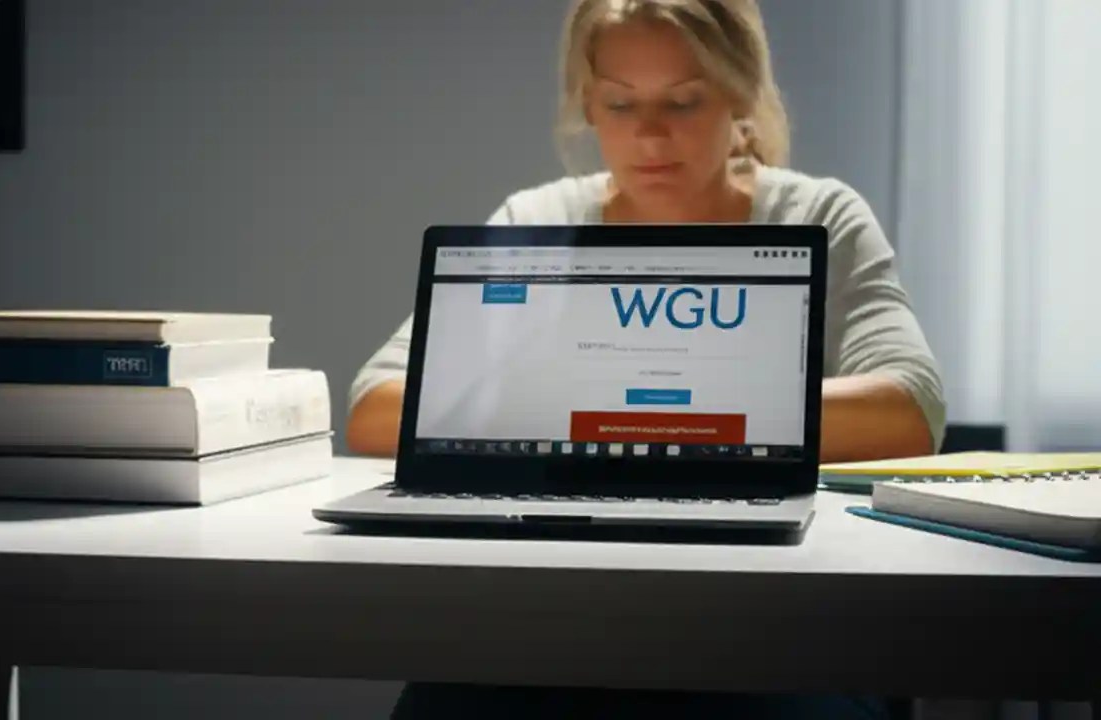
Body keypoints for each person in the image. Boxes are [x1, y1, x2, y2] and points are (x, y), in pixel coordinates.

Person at [349, 0, 945, 716]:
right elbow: (378, 407)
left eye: (685, 101)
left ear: (740, 98)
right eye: (621, 103)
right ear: (589, 107)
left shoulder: (817, 215)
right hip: (549, 616)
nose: (651, 133)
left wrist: (620, 419)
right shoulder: (538, 224)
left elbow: (910, 411)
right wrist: (671, 422)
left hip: (767, 617)